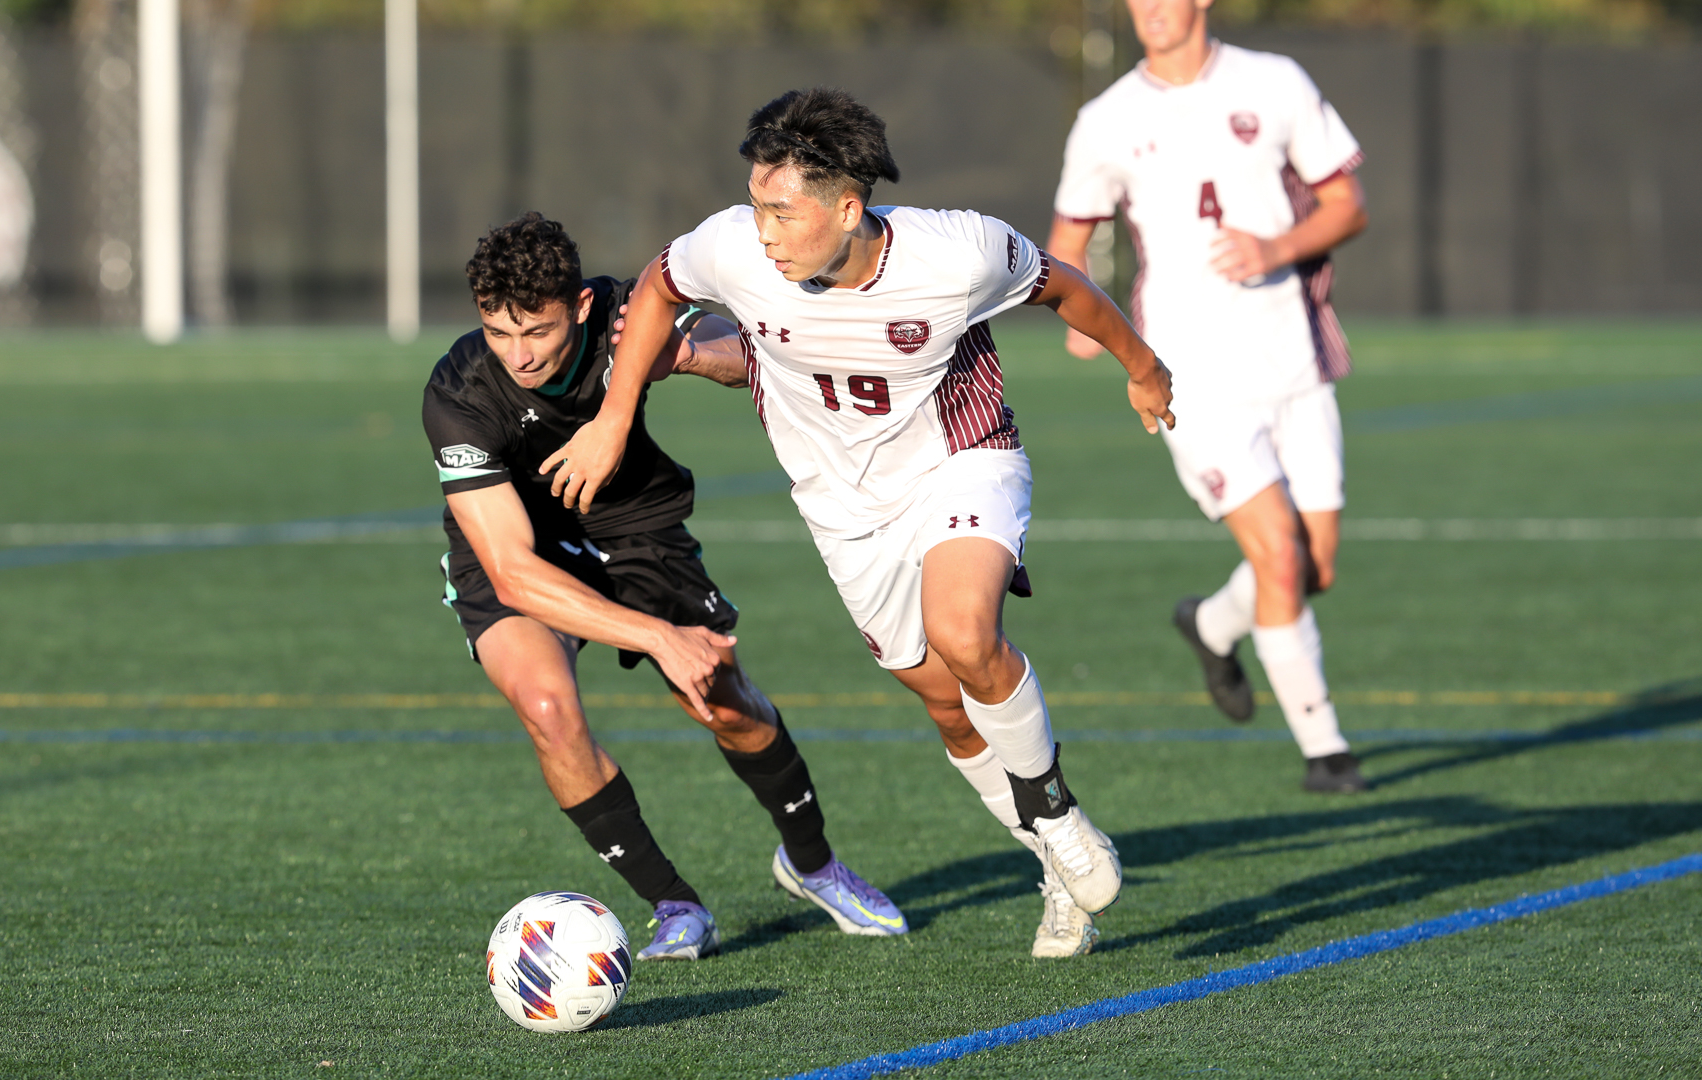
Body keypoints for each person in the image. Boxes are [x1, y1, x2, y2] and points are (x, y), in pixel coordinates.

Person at [542, 89, 1176, 957]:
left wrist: (1142, 365)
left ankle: (1058, 813)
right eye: (755, 205)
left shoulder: (958, 252)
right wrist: (615, 419)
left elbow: (1064, 288)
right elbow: (657, 289)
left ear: (847, 208)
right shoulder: (733, 247)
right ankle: (1054, 867)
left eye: (782, 211)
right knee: (948, 708)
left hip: (961, 459)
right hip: (840, 508)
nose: (763, 231)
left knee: (964, 632)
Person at [423, 213, 911, 961]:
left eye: (538, 331)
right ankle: (675, 905)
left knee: (723, 702)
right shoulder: (458, 393)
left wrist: (683, 355)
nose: (518, 355)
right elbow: (514, 572)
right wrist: (659, 637)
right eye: (498, 332)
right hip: (518, 549)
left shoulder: (627, 314)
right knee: (548, 709)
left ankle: (813, 866)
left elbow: (752, 352)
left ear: (580, 307)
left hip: (634, 526)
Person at [1047, 0, 1371, 793]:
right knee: (1277, 555)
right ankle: (1326, 752)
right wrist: (1083, 322)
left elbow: (1348, 205)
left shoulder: (1275, 81)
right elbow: (1066, 245)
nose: (1151, 7)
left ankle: (1211, 623)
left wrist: (1276, 246)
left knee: (1315, 565)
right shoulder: (1105, 119)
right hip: (1190, 376)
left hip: (1292, 360)